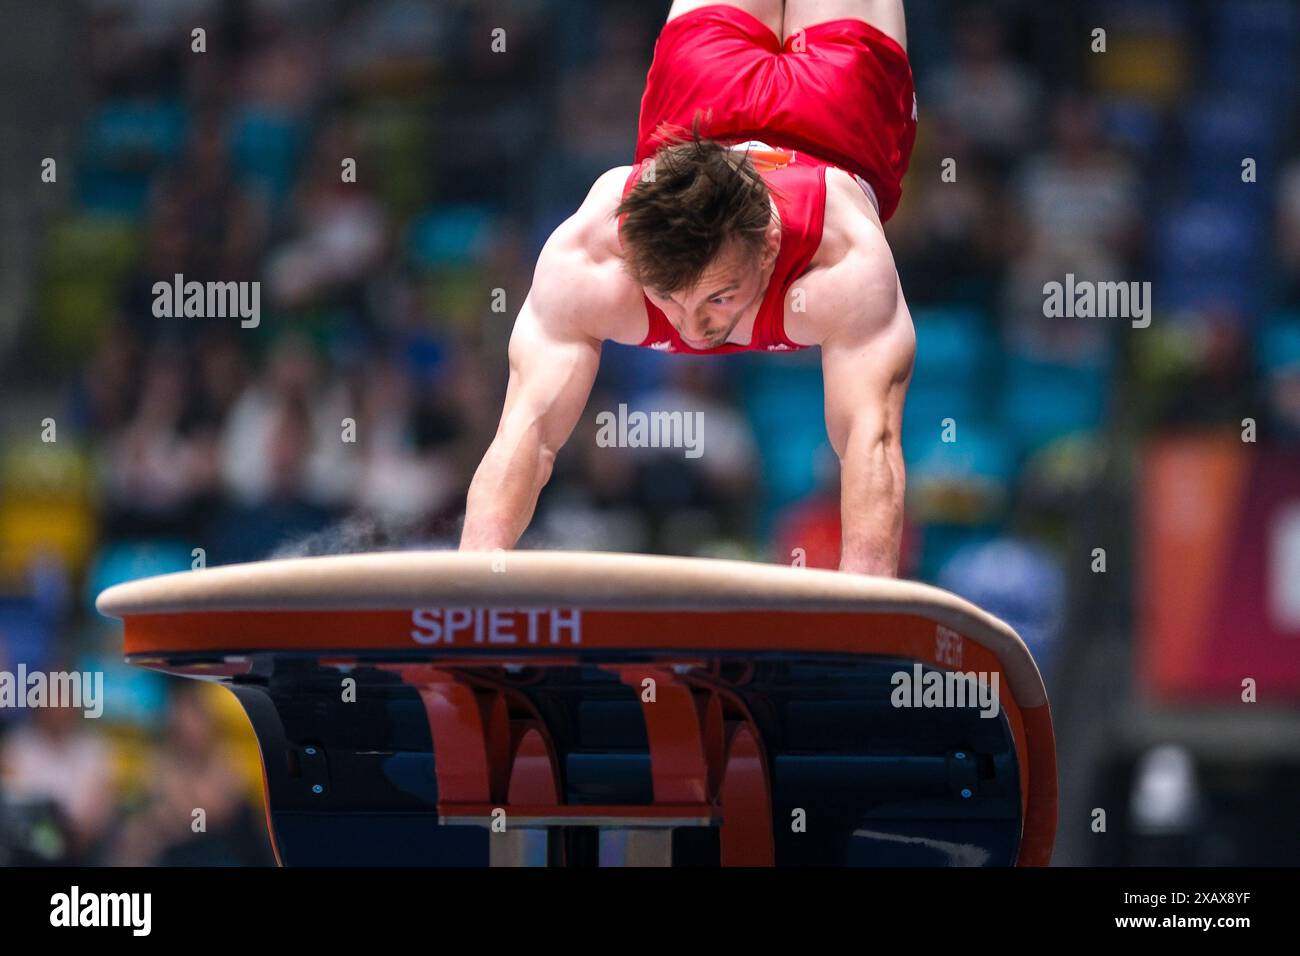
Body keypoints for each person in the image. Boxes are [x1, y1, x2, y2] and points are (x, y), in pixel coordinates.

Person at [461, 0, 917, 575]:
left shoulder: (841, 259)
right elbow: (526, 434)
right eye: (667, 297)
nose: (691, 328)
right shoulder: (594, 258)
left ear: (771, 246)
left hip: (839, 105)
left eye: (719, 297)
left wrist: (867, 619)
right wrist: (476, 584)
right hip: (704, 88)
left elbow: (868, 444)